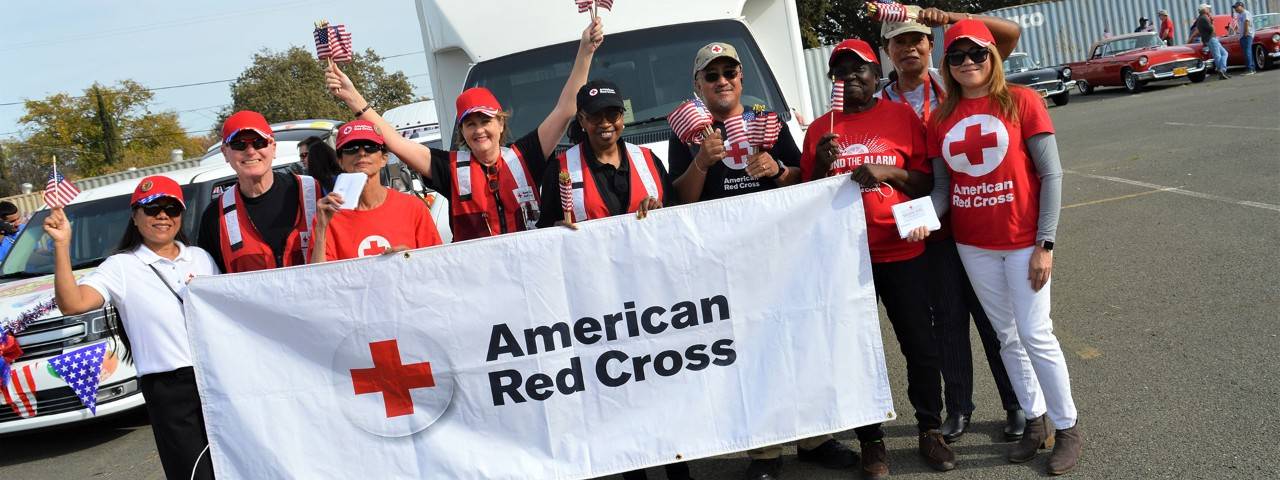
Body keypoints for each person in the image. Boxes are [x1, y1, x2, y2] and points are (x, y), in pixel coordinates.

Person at [926, 20, 1082, 476]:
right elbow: (941, 189)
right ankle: (1035, 423)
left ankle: (1068, 426)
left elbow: (1051, 175)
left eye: (977, 53)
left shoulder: (1022, 100)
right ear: (948, 65)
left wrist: (1045, 243)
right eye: (957, 56)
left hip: (1023, 242)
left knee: (1036, 333)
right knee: (1007, 336)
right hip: (973, 244)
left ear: (993, 57)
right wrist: (915, 221)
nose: (968, 62)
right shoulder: (940, 119)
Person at [800, 39, 953, 480]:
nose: (851, 78)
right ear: (834, 82)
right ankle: (872, 441)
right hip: (846, 259)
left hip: (903, 250)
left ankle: (930, 429)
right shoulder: (819, 130)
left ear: (875, 72)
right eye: (842, 72)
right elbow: (804, 201)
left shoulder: (901, 117)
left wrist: (890, 172)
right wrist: (820, 167)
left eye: (860, 70)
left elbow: (926, 182)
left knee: (919, 345)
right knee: (858, 352)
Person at [879, 6, 1026, 444]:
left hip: (972, 221)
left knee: (993, 319)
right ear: (887, 51)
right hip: (921, 231)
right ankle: (958, 407)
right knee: (946, 320)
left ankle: (1016, 403)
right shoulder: (880, 104)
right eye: (899, 42)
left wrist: (947, 17)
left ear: (930, 46)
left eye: (917, 40)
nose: (909, 49)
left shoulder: (956, 85)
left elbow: (1011, 34)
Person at [326, 18, 603, 241]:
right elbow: (396, 142)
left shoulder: (525, 155)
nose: (479, 130)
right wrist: (354, 98)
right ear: (462, 131)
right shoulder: (448, 168)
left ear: (500, 123)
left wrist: (585, 52)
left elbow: (566, 109)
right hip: (478, 285)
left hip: (531, 271)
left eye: (485, 122)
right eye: (471, 124)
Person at [534, 80, 682, 480]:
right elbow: (546, 231)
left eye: (613, 114)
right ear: (581, 120)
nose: (606, 123)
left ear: (623, 116)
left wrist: (659, 213)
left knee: (664, 385)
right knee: (618, 395)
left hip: (653, 302)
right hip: (598, 307)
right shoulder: (562, 168)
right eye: (596, 115)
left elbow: (679, 225)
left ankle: (678, 467)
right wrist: (559, 230)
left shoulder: (649, 160)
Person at [47, 175, 218, 480]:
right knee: (193, 473)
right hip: (169, 387)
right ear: (135, 217)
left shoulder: (202, 258)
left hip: (217, 378)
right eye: (152, 209)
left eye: (171, 208)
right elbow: (72, 304)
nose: (163, 216)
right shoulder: (121, 267)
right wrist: (62, 246)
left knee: (233, 465)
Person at [666, 42, 802, 204]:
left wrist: (777, 170)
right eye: (711, 76)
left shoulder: (766, 121)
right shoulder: (687, 133)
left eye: (730, 73)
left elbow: (805, 180)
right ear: (698, 85)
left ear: (741, 77)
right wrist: (701, 162)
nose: (722, 81)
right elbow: (676, 202)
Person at [197, 110, 323, 273]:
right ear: (225, 153)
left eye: (259, 142)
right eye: (239, 144)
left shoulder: (315, 191)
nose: (250, 151)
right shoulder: (214, 216)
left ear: (273, 147)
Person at [310, 120, 442, 262]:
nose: (361, 153)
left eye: (370, 147)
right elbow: (319, 279)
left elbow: (437, 264)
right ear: (340, 161)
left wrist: (410, 258)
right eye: (351, 148)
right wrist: (321, 228)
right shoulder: (327, 215)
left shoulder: (413, 207)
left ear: (384, 158)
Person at [1194, 4, 1231, 79]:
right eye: (1207, 8)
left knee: (1224, 53)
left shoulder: (1201, 18)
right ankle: (1222, 71)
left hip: (1211, 39)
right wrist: (1212, 21)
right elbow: (1211, 29)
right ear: (1204, 10)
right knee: (1218, 55)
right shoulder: (1204, 18)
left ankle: (1222, 70)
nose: (1209, 9)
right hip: (1211, 39)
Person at [1229, 2, 1257, 75]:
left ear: (1241, 6)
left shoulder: (1245, 13)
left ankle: (1249, 69)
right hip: (1242, 36)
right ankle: (1252, 68)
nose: (1235, 9)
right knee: (1247, 52)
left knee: (1247, 52)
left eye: (1236, 7)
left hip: (1247, 35)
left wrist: (1246, 32)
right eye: (1234, 7)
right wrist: (1236, 30)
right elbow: (1239, 24)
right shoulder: (1239, 15)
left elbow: (1246, 22)